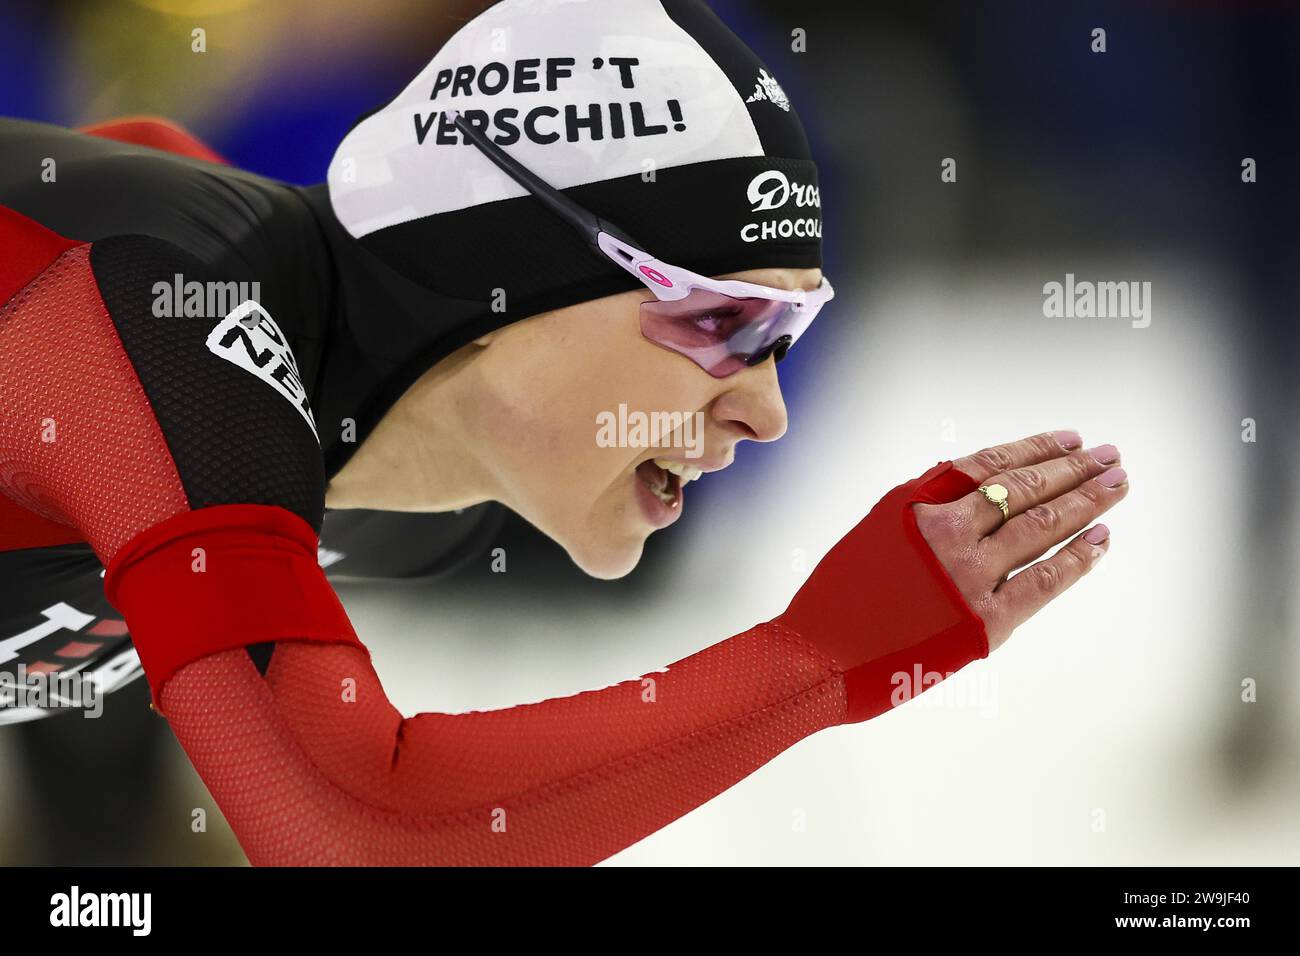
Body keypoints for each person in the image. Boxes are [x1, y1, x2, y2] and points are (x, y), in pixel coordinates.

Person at [0, 0, 1128, 864]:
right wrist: (817, 659)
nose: (769, 408)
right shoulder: (160, 301)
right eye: (725, 318)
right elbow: (349, 823)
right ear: (498, 279)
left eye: (790, 332)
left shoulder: (410, 506)